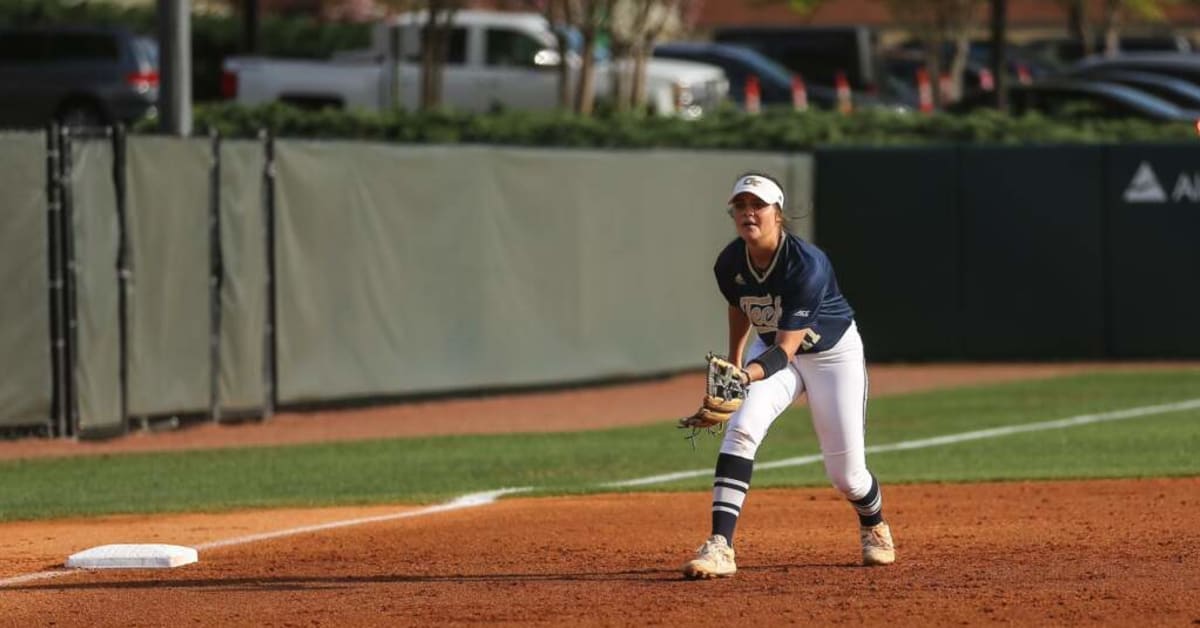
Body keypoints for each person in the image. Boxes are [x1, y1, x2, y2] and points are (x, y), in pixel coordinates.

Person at [681, 172, 895, 579]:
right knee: (741, 431)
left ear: (777, 213)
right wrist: (734, 360)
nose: (748, 213)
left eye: (757, 205)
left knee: (847, 476)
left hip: (831, 356)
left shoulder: (806, 265)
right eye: (740, 206)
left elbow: (786, 351)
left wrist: (744, 377)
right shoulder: (730, 262)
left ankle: (874, 524)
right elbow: (741, 306)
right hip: (772, 350)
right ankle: (720, 546)